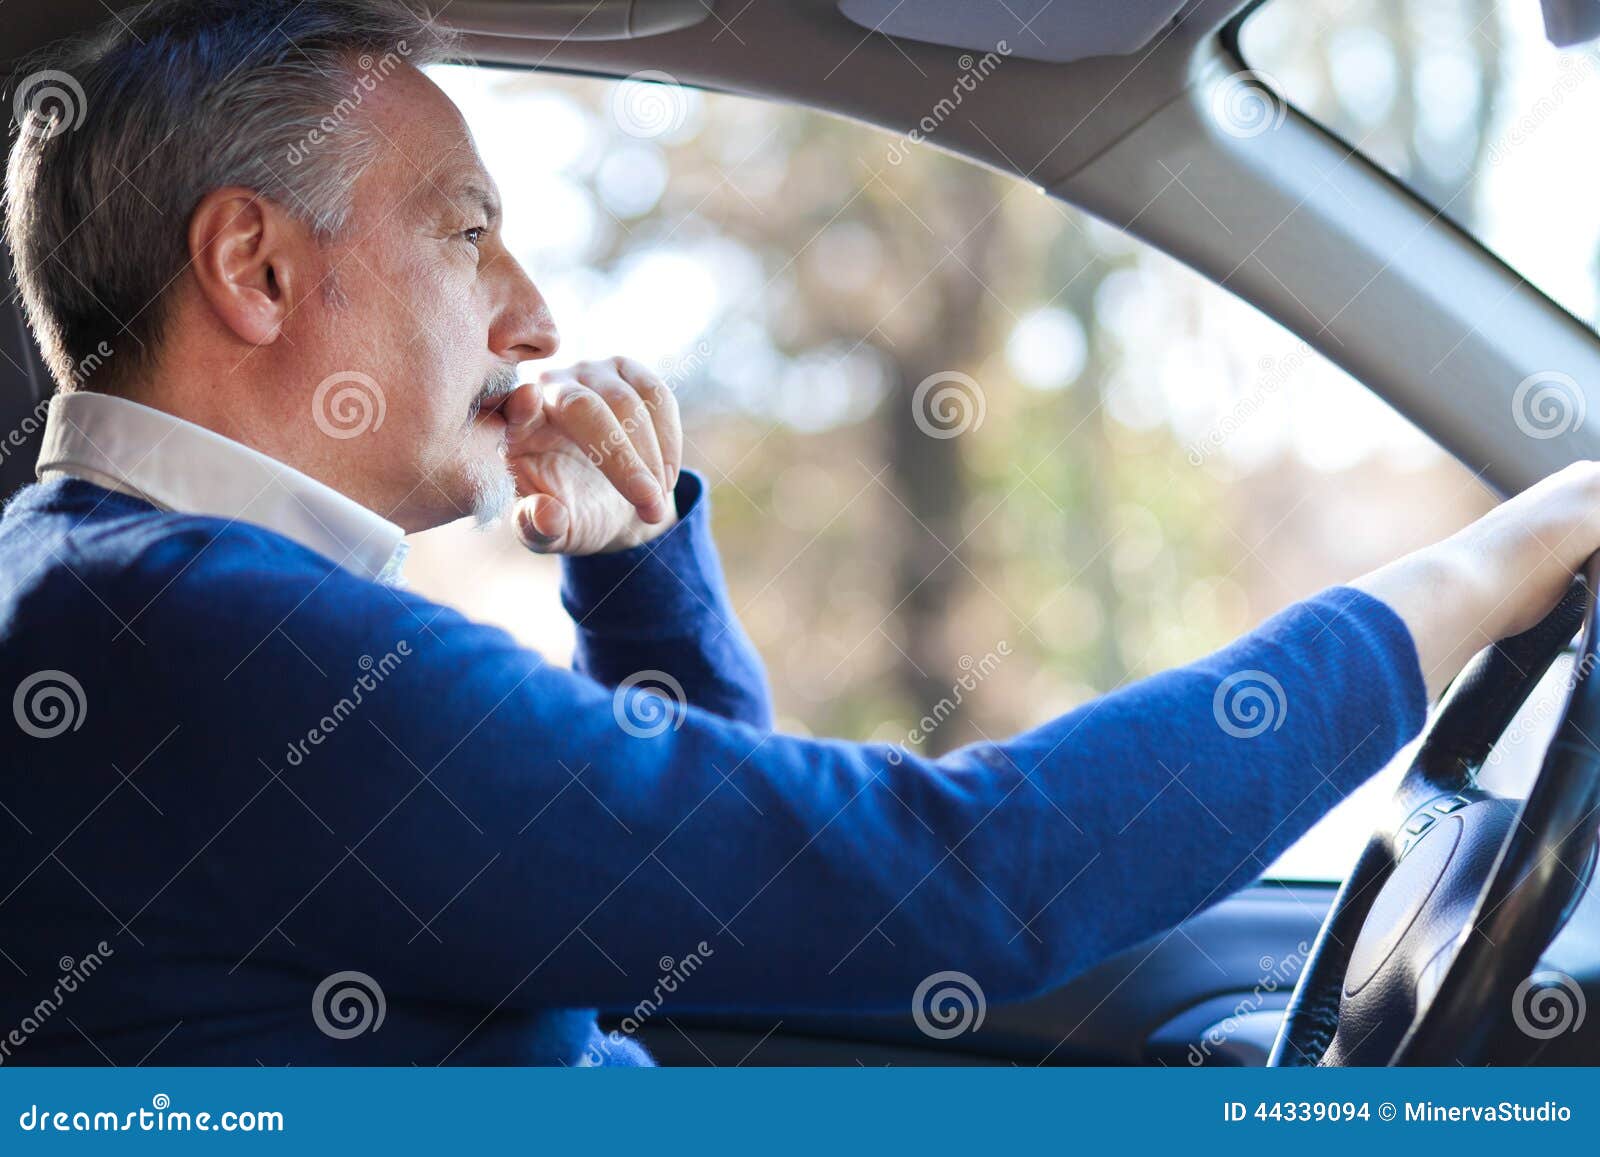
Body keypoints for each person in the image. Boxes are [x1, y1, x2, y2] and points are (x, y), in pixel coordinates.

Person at [1, 0, 1596, 1066]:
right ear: (259, 270)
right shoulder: (203, 642)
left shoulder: (116, 595)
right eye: (469, 233)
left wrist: (633, 577)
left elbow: (700, 940)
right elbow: (964, 879)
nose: (534, 313)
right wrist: (1475, 572)